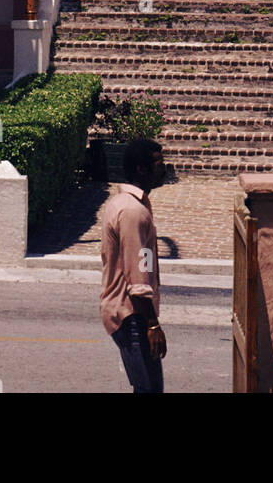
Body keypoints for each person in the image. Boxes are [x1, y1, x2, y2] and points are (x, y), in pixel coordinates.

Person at [99, 137, 167, 393]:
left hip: (132, 316)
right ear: (141, 169)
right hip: (133, 317)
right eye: (159, 163)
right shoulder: (132, 212)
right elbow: (137, 279)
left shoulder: (128, 204)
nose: (164, 168)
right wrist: (152, 324)